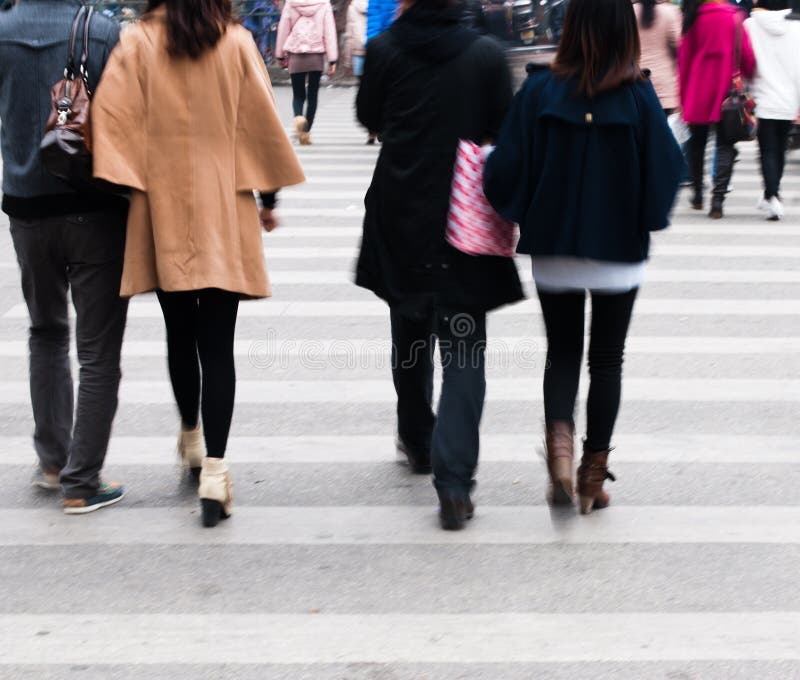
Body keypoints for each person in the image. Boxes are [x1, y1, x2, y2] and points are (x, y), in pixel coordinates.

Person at [92, 0, 305, 527]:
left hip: (163, 207)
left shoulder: (138, 42)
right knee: (218, 344)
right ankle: (215, 471)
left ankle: (190, 435)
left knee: (178, 332)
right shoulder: (234, 41)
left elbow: (110, 119)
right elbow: (260, 126)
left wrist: (131, 184)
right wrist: (269, 199)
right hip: (222, 207)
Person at [484, 0, 683, 514]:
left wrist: (523, 206)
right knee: (608, 359)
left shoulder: (538, 89)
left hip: (554, 244)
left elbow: (504, 166)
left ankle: (559, 448)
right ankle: (592, 474)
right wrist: (646, 216)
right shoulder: (638, 94)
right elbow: (668, 168)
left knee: (563, 352)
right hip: (618, 248)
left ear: (569, 26)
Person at [356, 0, 524, 530]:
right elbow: (505, 124)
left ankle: (417, 437)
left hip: (401, 209)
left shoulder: (384, 49)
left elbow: (368, 115)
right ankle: (454, 482)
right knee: (464, 343)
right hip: (463, 217)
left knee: (408, 325)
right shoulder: (485, 54)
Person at [0, 0, 129, 514]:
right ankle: (82, 481)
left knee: (46, 331)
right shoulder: (101, 32)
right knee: (98, 351)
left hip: (26, 208)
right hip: (92, 209)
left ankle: (53, 463)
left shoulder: (3, 31)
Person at [679, 0, 756, 219]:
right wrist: (749, 75)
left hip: (698, 88)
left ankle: (697, 194)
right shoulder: (734, 16)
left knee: (697, 144)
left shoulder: (693, 15)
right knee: (725, 144)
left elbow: (684, 60)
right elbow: (747, 55)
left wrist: (683, 95)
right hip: (727, 90)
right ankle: (718, 200)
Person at [746, 0, 800, 220]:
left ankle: (772, 195)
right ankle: (771, 194)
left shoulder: (750, 24)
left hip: (762, 97)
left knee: (767, 149)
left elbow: (747, 61)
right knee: (780, 148)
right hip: (788, 98)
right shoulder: (795, 26)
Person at [276, 0, 338, 145]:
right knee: (313, 95)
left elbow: (283, 29)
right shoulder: (323, 3)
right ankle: (306, 131)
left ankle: (298, 117)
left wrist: (280, 54)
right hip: (316, 55)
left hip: (296, 54)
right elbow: (329, 32)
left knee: (298, 95)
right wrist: (332, 59)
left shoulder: (291, 3)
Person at [634, 0, 682, 113]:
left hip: (636, 85)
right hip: (665, 90)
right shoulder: (670, 12)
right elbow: (679, 47)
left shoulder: (629, 12)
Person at [345, 0, 377, 143]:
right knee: (381, 89)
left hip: (358, 52)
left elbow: (349, 34)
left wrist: (347, 58)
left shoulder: (353, 6)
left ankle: (371, 131)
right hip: (380, 50)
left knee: (365, 92)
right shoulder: (381, 5)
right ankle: (380, 127)